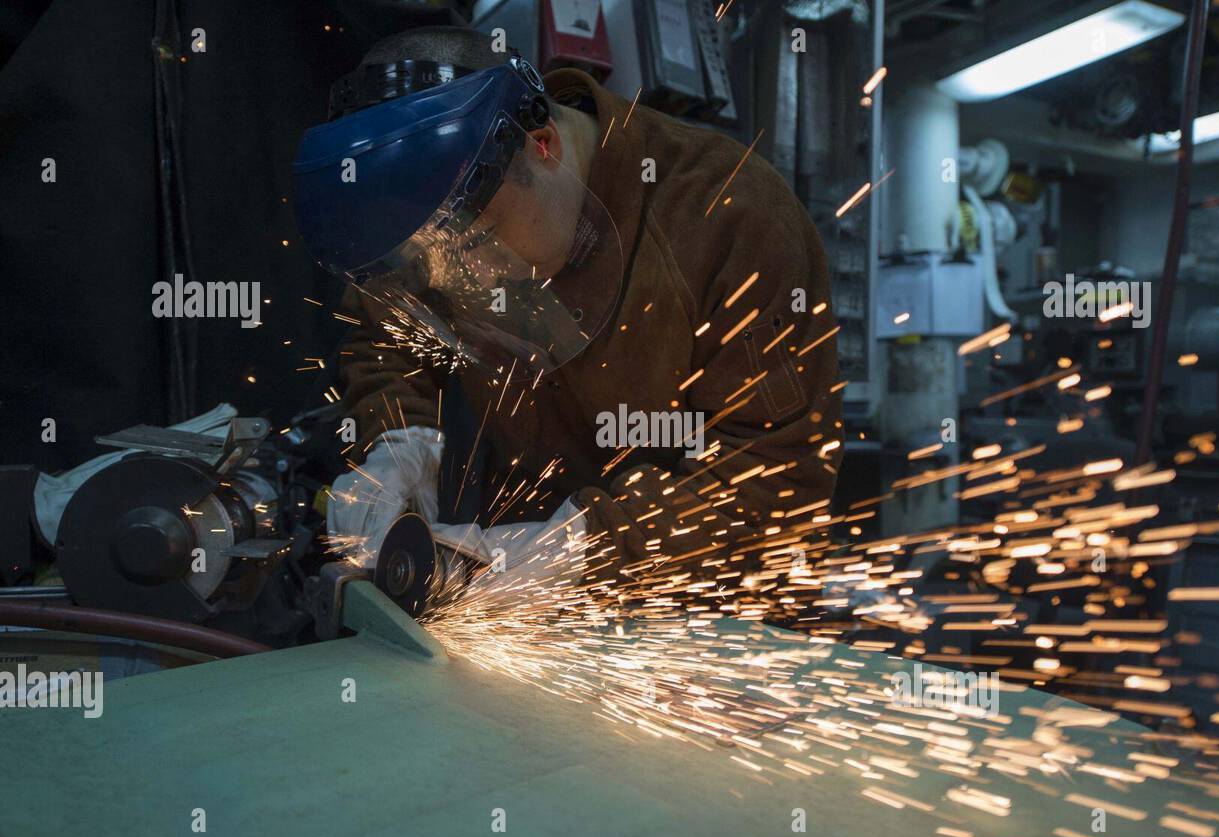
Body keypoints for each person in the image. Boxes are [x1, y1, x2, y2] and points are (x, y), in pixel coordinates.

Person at [293, 26, 842, 591]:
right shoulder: (440, 218)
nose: (455, 282)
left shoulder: (731, 216)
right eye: (422, 261)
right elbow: (386, 333)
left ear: (542, 144)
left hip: (713, 609)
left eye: (473, 244)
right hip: (513, 610)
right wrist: (397, 441)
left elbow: (775, 480)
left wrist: (580, 551)